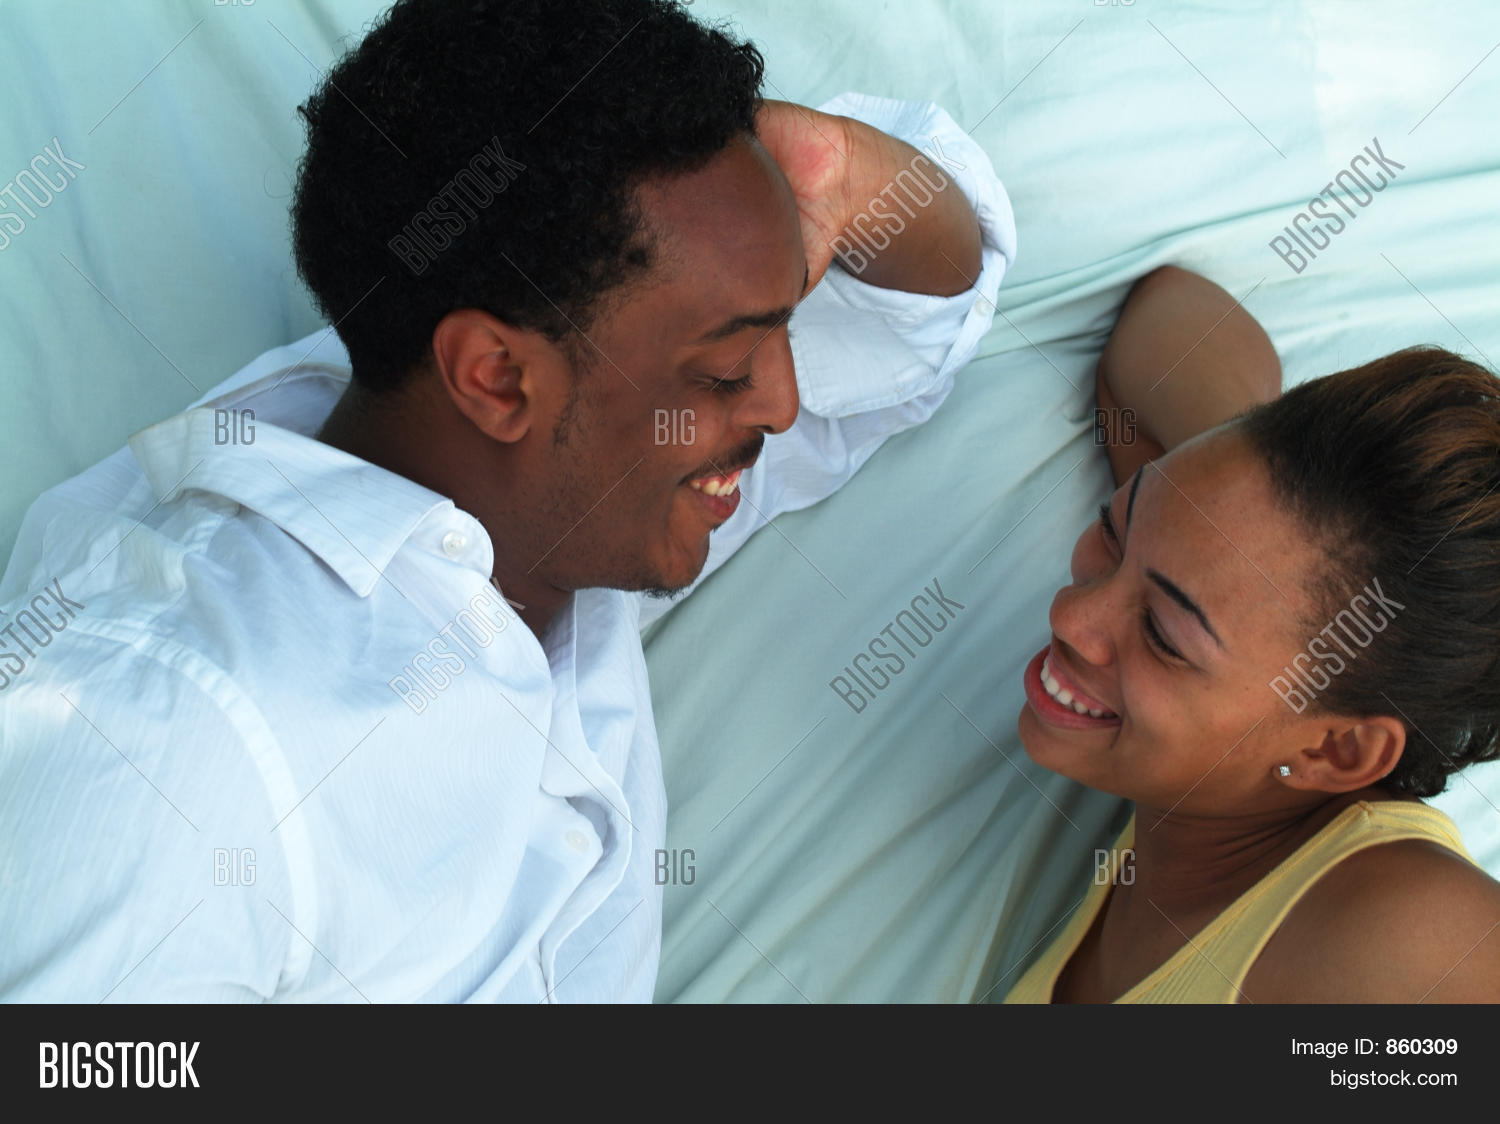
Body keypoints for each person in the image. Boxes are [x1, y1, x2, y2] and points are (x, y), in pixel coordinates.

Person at [0, 0, 1015, 1001]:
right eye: (727, 367)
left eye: (782, 330)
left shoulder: (554, 479)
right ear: (494, 377)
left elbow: (922, 312)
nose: (784, 402)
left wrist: (831, 168)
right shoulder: (172, 750)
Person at [1004, 265, 1500, 1003]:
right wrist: (1245, 482)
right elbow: (1154, 338)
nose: (1072, 616)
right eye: (1115, 530)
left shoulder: (1409, 937)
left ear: (1335, 750)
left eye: (1166, 636)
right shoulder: (1210, 806)